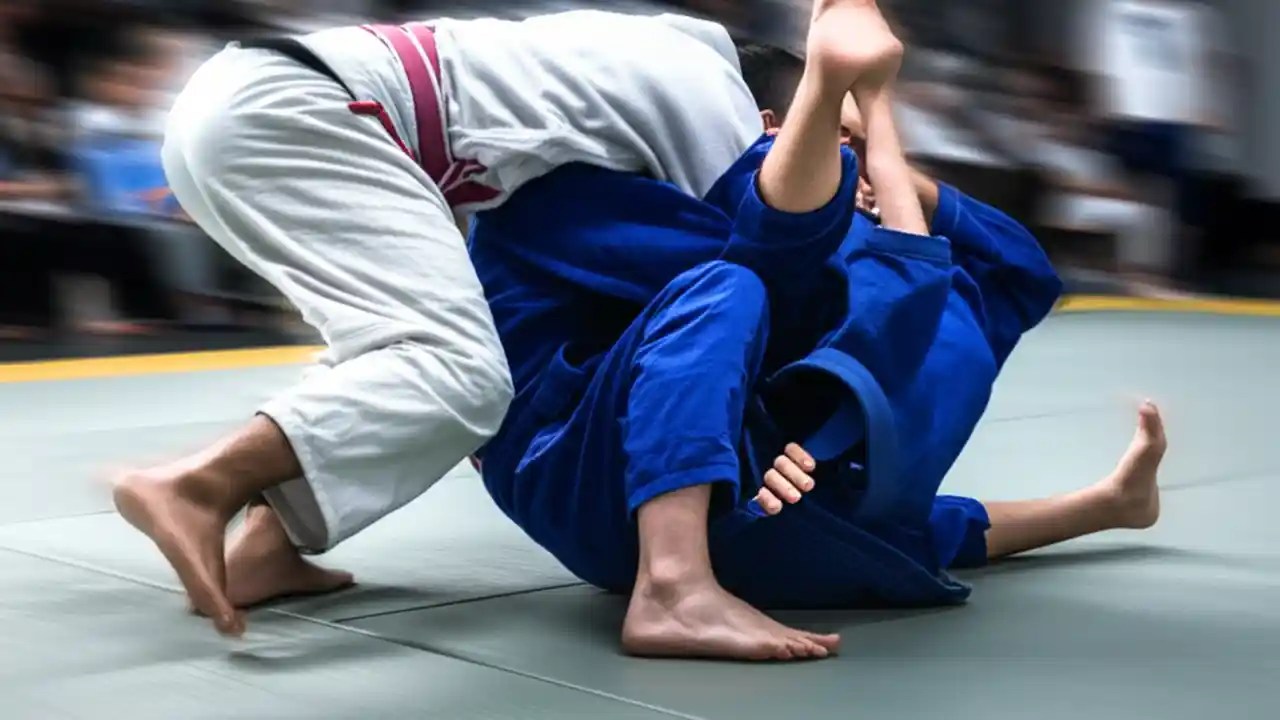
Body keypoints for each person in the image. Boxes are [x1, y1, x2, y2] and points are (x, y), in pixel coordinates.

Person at [465, 0, 1167, 662]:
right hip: (567, 471)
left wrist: (895, 174)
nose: (845, 161)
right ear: (767, 128)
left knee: (858, 513)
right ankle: (673, 585)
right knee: (736, 292)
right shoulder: (568, 192)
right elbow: (778, 262)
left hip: (675, 478)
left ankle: (1107, 505)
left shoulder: (741, 204)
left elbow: (1019, 271)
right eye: (830, 134)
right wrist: (865, 122)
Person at [112, 9, 763, 637]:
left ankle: (265, 544)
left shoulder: (613, 63)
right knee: (464, 374)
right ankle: (200, 486)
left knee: (387, 353)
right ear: (770, 118)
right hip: (301, 110)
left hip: (245, 104)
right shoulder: (714, 97)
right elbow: (740, 257)